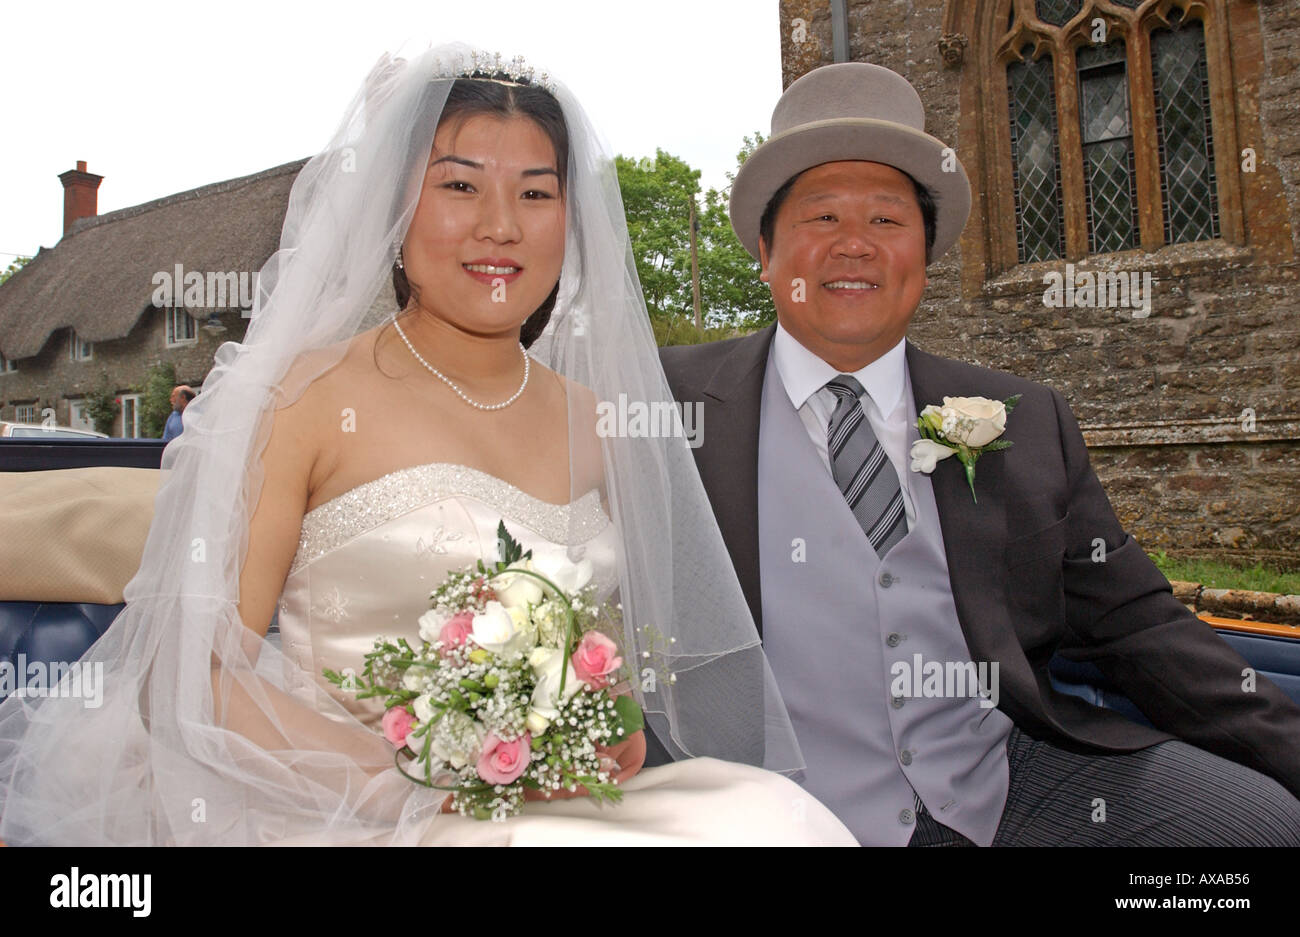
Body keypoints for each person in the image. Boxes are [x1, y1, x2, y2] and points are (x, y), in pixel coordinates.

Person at [0, 45, 854, 846]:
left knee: (778, 813)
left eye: (534, 192)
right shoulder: (302, 400)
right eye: (459, 186)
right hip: (347, 801)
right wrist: (410, 783)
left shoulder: (601, 422)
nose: (500, 226)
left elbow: (613, 661)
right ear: (395, 209)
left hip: (548, 803)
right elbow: (198, 671)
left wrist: (605, 723)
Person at [659, 62, 1300, 846]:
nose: (855, 246)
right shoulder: (666, 405)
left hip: (1003, 788)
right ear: (765, 253)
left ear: (925, 260)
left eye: (888, 222)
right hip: (772, 814)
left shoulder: (1024, 419)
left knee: (1260, 834)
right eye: (821, 218)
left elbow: (1137, 628)